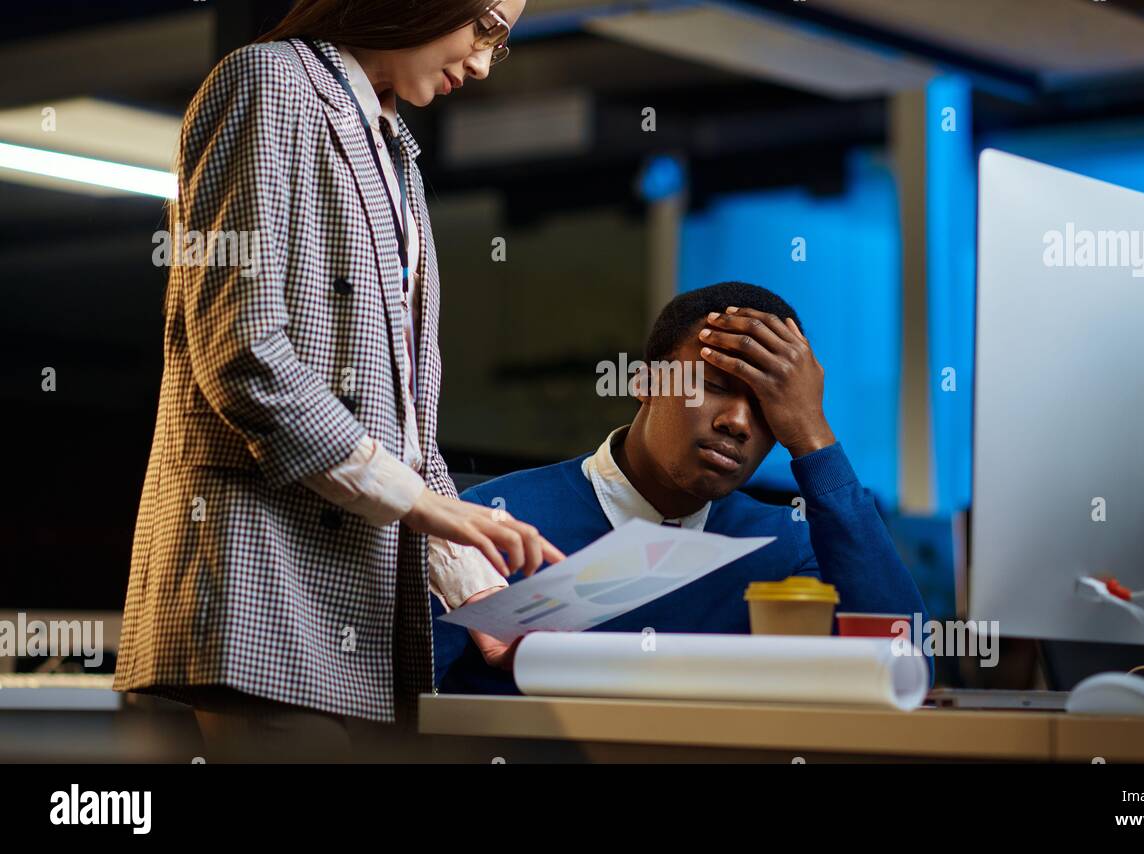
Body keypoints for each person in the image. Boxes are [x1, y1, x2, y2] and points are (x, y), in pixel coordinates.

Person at [113, 0, 564, 762]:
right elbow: (243, 353)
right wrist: (426, 510)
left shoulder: (398, 154)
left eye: (502, 42)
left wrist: (474, 582)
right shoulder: (267, 82)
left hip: (366, 600)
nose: (485, 61)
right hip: (262, 581)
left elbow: (400, 419)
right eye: (485, 26)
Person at [432, 281, 928, 694]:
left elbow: (906, 668)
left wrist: (813, 437)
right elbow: (405, 703)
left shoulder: (785, 546)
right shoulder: (489, 524)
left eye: (768, 407)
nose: (737, 421)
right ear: (645, 381)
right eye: (712, 386)